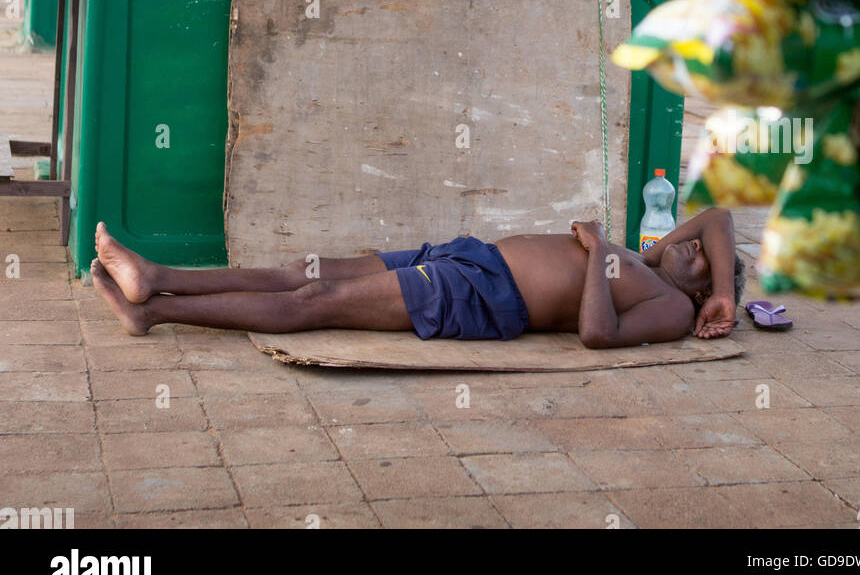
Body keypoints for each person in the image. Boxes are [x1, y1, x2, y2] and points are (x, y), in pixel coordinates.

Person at [91, 207, 745, 347]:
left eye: (700, 262)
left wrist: (600, 250)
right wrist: (724, 287)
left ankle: (156, 311)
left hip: (488, 295)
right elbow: (718, 215)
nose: (689, 247)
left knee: (318, 300)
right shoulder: (667, 262)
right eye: (695, 252)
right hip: (471, 255)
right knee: (303, 269)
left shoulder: (669, 306)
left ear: (696, 296)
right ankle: (155, 275)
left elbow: (598, 336)